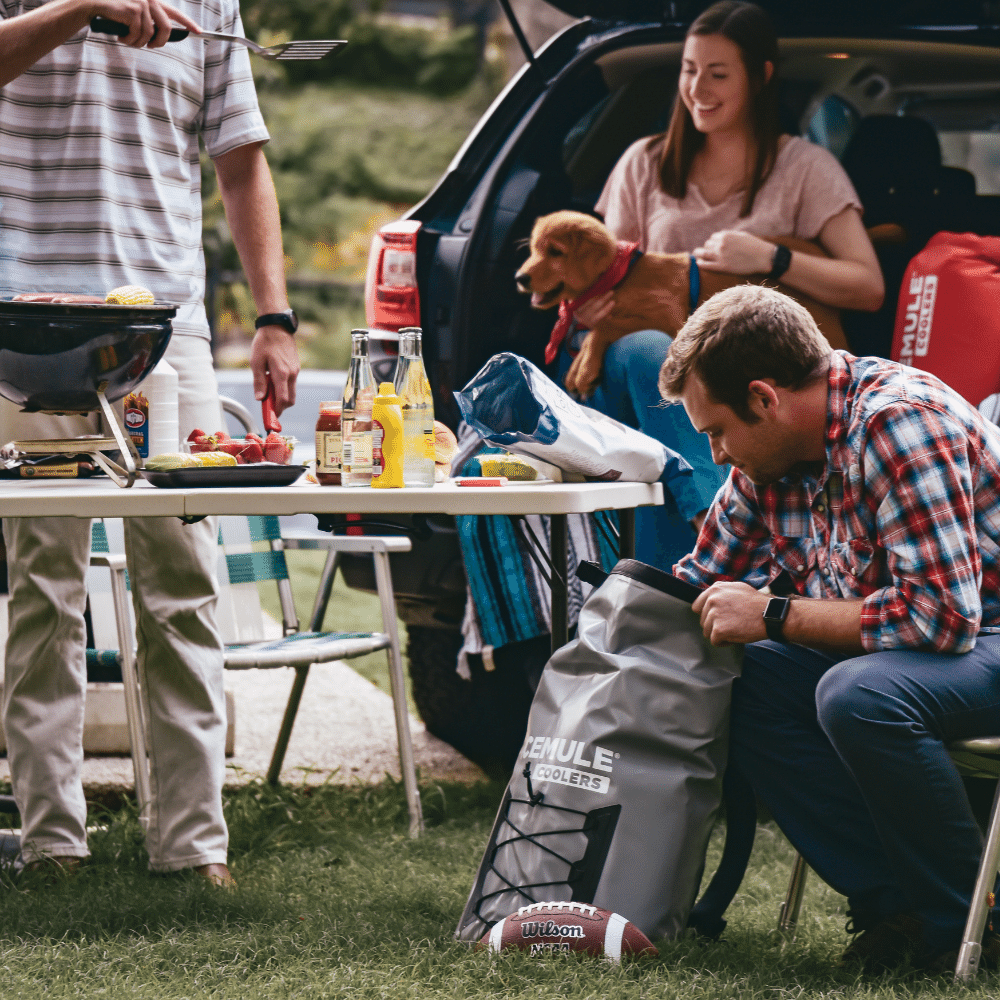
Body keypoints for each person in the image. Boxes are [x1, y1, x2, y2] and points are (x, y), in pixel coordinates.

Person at [0, 0, 300, 885]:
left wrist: (275, 316)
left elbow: (241, 161)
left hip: (163, 331)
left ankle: (194, 846)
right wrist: (82, 8)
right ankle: (53, 843)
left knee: (182, 586)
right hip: (25, 330)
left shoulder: (211, 6)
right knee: (43, 588)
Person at [661, 282, 1000, 972]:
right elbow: (696, 580)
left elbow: (941, 617)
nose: (716, 454)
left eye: (716, 431)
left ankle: (968, 922)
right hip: (908, 651)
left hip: (981, 632)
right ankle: (898, 906)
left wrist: (773, 614)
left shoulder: (901, 424)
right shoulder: (771, 455)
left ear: (764, 399)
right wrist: (599, 650)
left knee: (859, 695)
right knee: (737, 677)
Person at [559, 0, 883, 570]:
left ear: (759, 77)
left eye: (717, 73)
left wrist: (771, 257)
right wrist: (589, 306)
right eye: (689, 70)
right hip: (637, 360)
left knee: (690, 398)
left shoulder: (803, 168)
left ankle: (667, 581)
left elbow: (867, 285)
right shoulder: (643, 163)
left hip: (742, 372)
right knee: (655, 353)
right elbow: (606, 277)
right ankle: (716, 532)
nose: (698, 88)